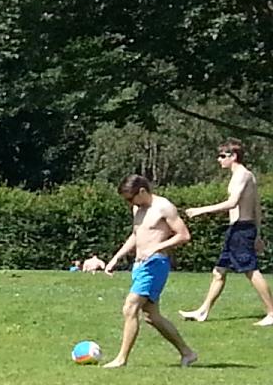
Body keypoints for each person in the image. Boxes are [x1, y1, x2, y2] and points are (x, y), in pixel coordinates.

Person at [93, 174, 197, 368]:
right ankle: (187, 353)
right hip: (140, 265)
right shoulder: (137, 208)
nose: (129, 202)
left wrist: (156, 248)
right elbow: (136, 235)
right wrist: (116, 257)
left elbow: (184, 235)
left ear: (142, 191)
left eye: (130, 198)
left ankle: (121, 359)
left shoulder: (164, 207)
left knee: (130, 306)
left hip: (156, 264)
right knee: (152, 316)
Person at [178, 141, 273, 326]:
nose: (219, 159)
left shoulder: (242, 175)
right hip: (238, 229)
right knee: (219, 271)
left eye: (223, 156)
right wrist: (258, 234)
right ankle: (202, 311)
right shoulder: (244, 175)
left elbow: (232, 203)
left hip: (242, 229)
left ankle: (271, 312)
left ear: (233, 156)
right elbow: (257, 208)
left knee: (251, 271)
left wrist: (201, 210)